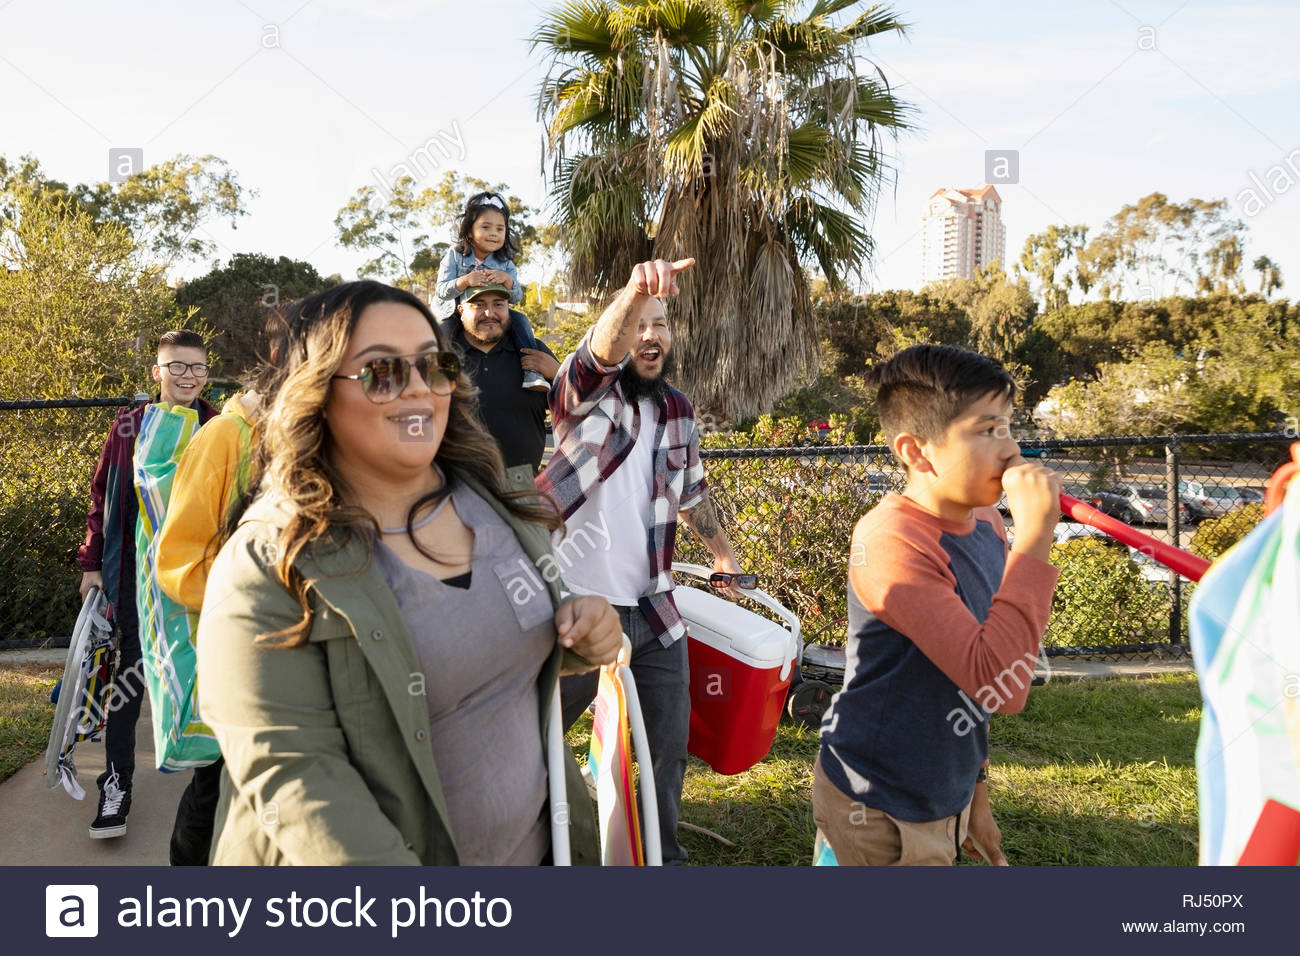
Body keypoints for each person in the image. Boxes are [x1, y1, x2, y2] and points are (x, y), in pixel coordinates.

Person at [196, 280, 620, 865]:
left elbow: (498, 646)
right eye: (382, 372)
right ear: (316, 393)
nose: (419, 387)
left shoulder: (489, 498)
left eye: (433, 365)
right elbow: (296, 781)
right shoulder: (267, 563)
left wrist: (579, 629)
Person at [812, 344, 1062, 866]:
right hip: (877, 804)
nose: (1011, 450)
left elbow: (976, 673)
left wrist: (977, 794)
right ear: (917, 451)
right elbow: (1001, 683)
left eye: (1008, 427)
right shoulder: (891, 540)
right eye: (987, 430)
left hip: (944, 790)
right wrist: (1035, 538)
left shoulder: (987, 523)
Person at [538, 257, 745, 865]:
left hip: (654, 613)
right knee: (534, 739)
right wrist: (633, 293)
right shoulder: (583, 398)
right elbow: (595, 357)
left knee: (665, 750)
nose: (650, 335)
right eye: (638, 325)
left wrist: (725, 554)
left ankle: (660, 860)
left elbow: (693, 493)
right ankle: (537, 853)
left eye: (661, 324)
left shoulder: (678, 410)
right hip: (573, 611)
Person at [154, 309, 300, 865]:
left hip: (295, 646)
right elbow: (177, 560)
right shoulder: (224, 436)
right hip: (240, 646)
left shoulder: (301, 436)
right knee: (218, 780)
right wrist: (247, 603)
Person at [76, 329, 218, 839]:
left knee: (211, 674)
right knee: (130, 677)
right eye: (176, 366)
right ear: (157, 372)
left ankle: (210, 791)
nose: (187, 376)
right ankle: (116, 786)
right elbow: (103, 498)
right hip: (139, 576)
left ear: (207, 374)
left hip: (202, 575)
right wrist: (92, 562)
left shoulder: (218, 426)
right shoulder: (129, 426)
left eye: (196, 367)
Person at [439, 283, 560, 492]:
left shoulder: (533, 351)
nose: (490, 313)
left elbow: (578, 405)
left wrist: (558, 372)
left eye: (498, 304)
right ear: (461, 310)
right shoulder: (443, 358)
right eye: (479, 304)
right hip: (455, 487)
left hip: (522, 487)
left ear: (508, 308)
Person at [432, 190, 547, 392]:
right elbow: (441, 290)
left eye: (500, 229)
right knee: (444, 332)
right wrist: (464, 281)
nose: (494, 233)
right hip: (455, 310)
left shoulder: (505, 262)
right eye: (486, 227)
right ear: (469, 231)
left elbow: (517, 297)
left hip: (491, 308)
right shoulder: (455, 255)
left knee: (521, 320)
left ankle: (532, 372)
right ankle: (439, 374)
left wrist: (508, 281)